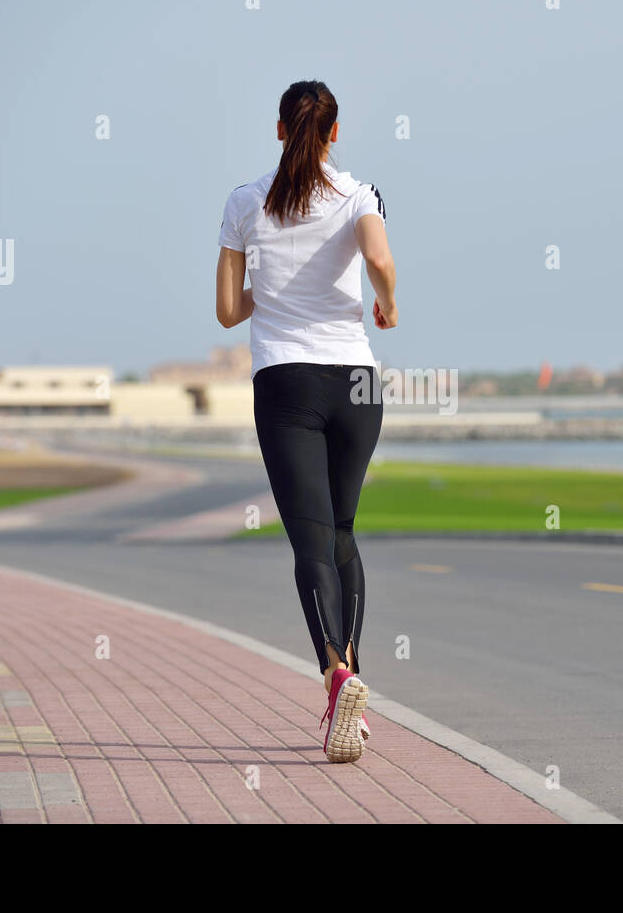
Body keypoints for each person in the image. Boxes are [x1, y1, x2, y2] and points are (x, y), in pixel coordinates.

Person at [215, 80, 398, 764]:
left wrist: (275, 289)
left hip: (285, 382)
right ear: (336, 133)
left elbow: (229, 311)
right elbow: (379, 260)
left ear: (279, 130)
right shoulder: (359, 194)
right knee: (344, 531)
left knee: (310, 543)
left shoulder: (243, 202)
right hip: (355, 380)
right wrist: (388, 304)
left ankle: (336, 673)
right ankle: (344, 681)